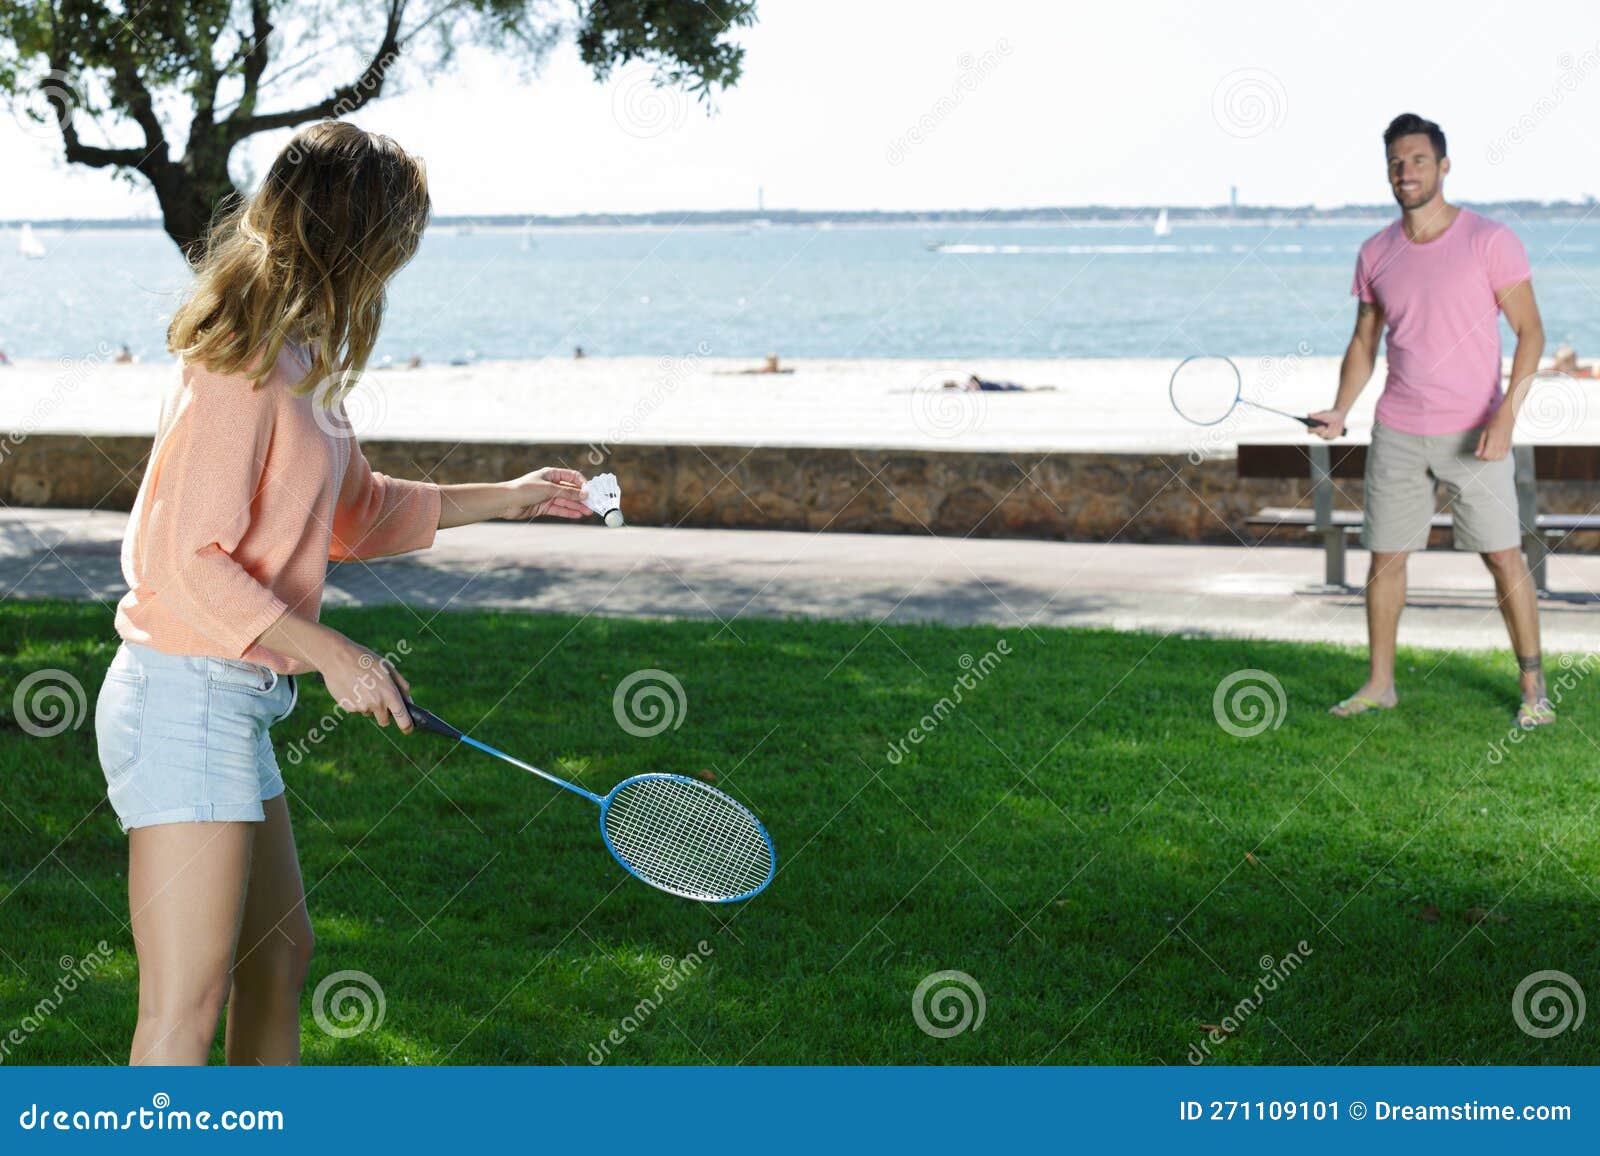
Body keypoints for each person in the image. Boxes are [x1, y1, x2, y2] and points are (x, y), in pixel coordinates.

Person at [93, 121, 595, 1067]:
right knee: (181, 1009)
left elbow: (354, 513)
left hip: (230, 697)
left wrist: (512, 497)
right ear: (354, 236)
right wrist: (332, 653)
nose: (400, 259)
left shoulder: (302, 363)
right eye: (397, 237)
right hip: (181, 693)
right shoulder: (241, 363)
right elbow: (183, 560)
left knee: (280, 955)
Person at [1309, 113, 1550, 727]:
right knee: (1385, 557)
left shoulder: (1489, 240)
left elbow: (1530, 332)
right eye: (1396, 162)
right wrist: (1341, 408)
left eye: (1417, 160)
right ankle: (1380, 686)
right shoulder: (1375, 252)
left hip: (1475, 430)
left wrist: (1506, 415)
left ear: (1443, 166)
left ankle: (1534, 691)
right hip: (1397, 428)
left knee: (1503, 556)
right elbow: (1364, 342)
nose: (1405, 171)